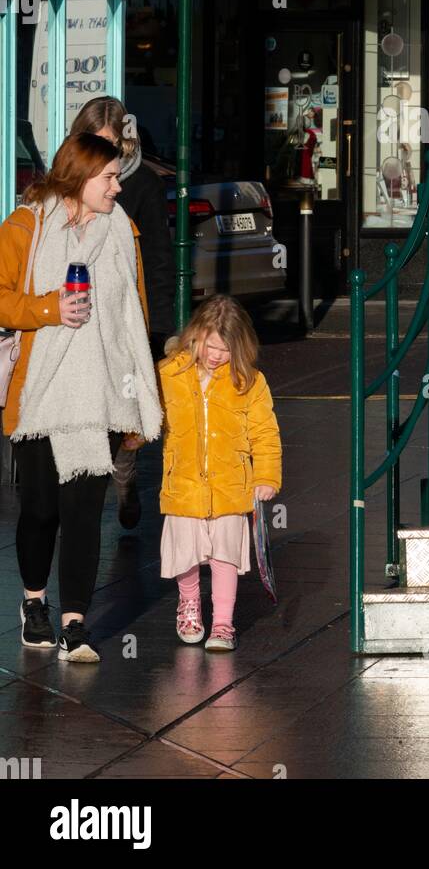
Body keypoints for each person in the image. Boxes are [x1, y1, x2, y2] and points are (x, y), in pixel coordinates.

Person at [0, 134, 162, 661]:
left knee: (85, 512)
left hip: (100, 393)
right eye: (110, 177)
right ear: (78, 177)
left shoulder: (122, 231)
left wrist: (139, 392)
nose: (118, 186)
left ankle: (75, 624)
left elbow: (133, 315)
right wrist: (50, 309)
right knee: (43, 508)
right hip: (41, 394)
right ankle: (34, 602)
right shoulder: (26, 226)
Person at [70, 97, 175, 530]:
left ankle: (125, 476)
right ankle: (93, 488)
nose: (102, 153)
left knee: (122, 416)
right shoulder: (66, 181)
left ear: (125, 145)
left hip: (127, 316)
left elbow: (159, 262)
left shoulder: (141, 187)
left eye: (110, 144)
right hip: (78, 316)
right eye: (95, 142)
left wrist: (163, 333)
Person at [159, 295, 282, 652]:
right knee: (186, 551)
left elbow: (265, 431)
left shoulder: (249, 382)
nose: (216, 356)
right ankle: (189, 604)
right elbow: (150, 418)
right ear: (196, 336)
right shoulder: (169, 373)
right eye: (212, 346)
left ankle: (224, 622)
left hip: (231, 485)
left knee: (225, 556)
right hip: (183, 482)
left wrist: (266, 476)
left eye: (226, 350)